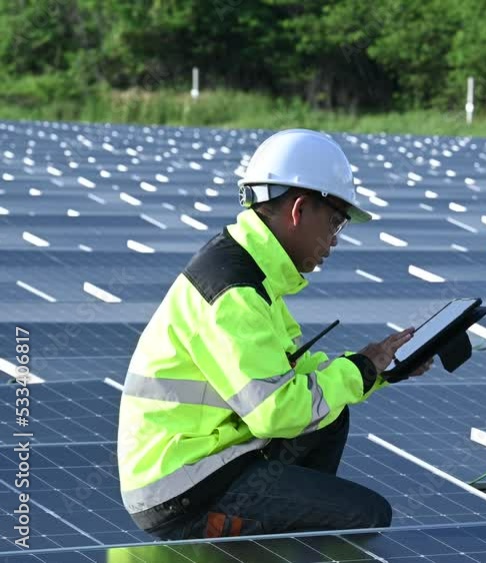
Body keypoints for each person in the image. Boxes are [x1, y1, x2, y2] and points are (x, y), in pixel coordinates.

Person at [116, 129, 433, 540]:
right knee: (366, 514)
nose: (335, 241)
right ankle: (269, 537)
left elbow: (294, 379)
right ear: (299, 210)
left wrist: (381, 370)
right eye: (335, 223)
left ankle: (281, 538)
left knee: (327, 418)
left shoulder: (250, 270)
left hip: (205, 462)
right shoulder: (235, 290)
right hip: (180, 490)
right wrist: (359, 372)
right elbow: (276, 411)